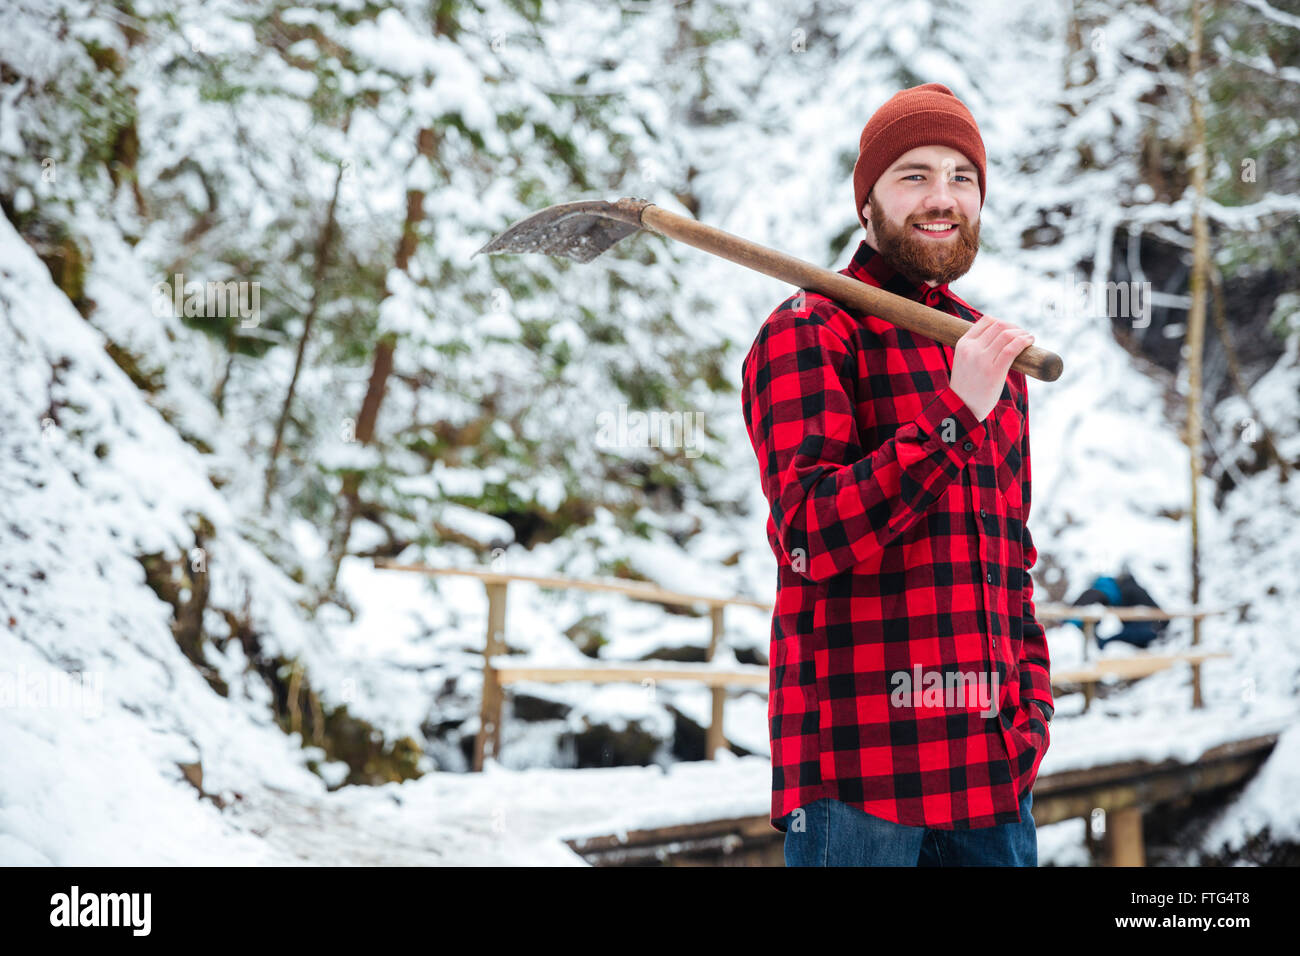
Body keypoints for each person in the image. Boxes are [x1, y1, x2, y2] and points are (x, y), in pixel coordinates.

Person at [740, 83, 1054, 866]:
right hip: (860, 785)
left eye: (962, 176)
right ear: (867, 202)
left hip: (990, 779)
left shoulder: (991, 357)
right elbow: (811, 533)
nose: (942, 198)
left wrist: (1031, 712)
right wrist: (954, 415)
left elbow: (1009, 558)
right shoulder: (808, 333)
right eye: (913, 175)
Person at [1068, 562, 1168, 649]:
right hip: (1149, 623)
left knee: (1114, 640)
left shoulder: (1124, 589)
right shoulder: (1126, 587)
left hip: (1149, 623)